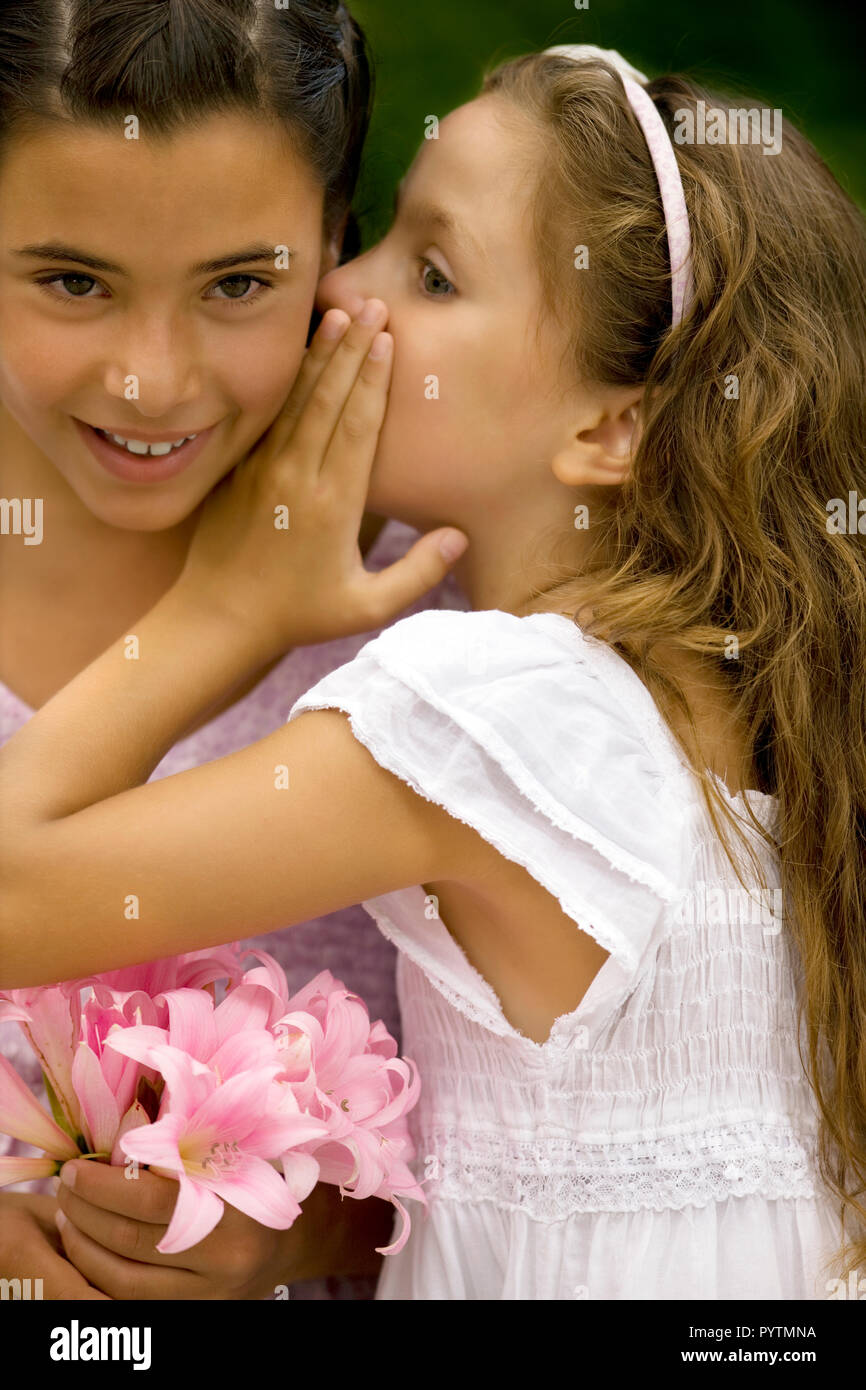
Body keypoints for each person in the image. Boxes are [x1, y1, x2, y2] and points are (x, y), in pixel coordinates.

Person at [3, 42, 865, 1299]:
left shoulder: (482, 711)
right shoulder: (719, 701)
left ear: (608, 428)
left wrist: (227, 611)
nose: (342, 296)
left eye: (433, 271)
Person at [0, 0, 469, 1300]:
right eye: (71, 280)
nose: (152, 379)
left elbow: (555, 1168)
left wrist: (306, 1230)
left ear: (337, 249)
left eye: (239, 285)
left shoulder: (444, 605)